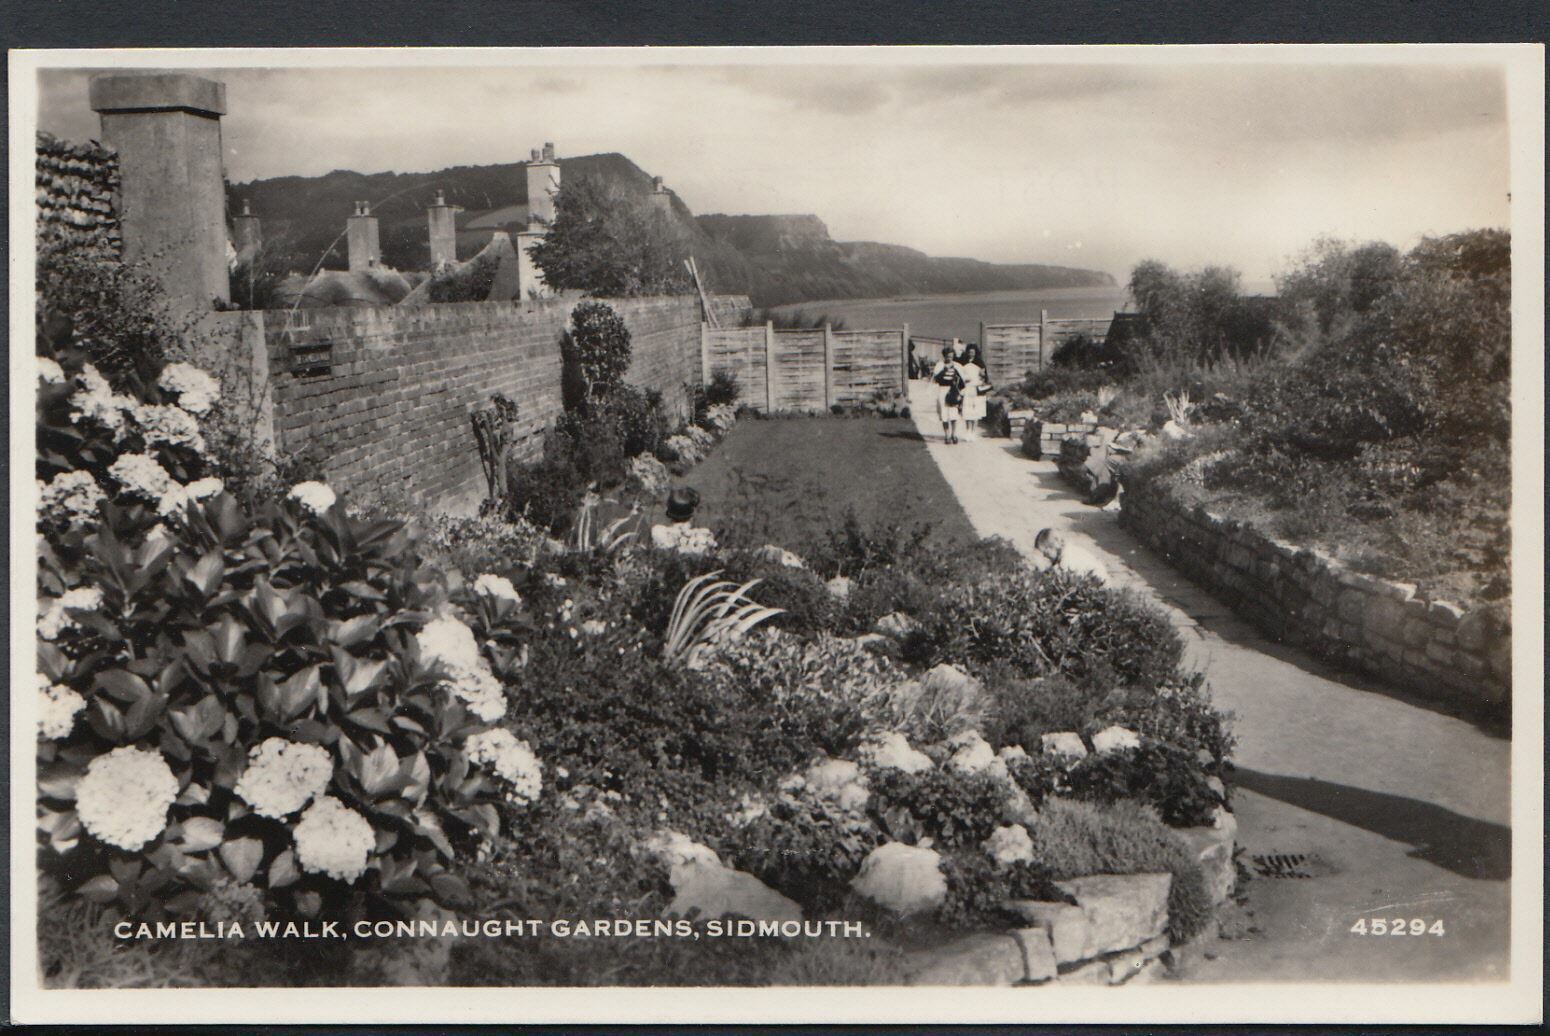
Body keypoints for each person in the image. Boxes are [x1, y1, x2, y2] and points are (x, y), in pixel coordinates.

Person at [1033, 528, 1110, 584]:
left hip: (1098, 586)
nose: (1045, 557)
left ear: (1053, 548)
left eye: (1046, 553)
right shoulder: (1069, 550)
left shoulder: (1067, 560)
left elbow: (1062, 581)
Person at [931, 343, 965, 443]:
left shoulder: (957, 366)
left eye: (951, 356)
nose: (949, 358)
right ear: (944, 356)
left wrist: (960, 392)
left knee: (954, 414)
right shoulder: (940, 365)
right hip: (942, 391)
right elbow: (936, 379)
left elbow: (962, 381)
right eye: (947, 356)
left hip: (953, 391)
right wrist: (945, 369)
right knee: (944, 414)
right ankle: (947, 435)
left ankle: (954, 434)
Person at [956, 342, 991, 441]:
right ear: (967, 352)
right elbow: (960, 375)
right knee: (967, 411)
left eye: (973, 352)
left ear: (976, 352)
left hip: (976, 389)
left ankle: (973, 432)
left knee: (975, 412)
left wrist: (982, 375)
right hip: (967, 388)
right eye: (970, 352)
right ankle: (968, 432)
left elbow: (984, 377)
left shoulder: (980, 362)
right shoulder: (964, 362)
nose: (971, 354)